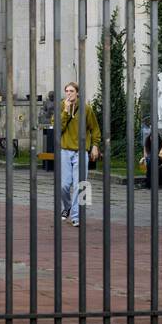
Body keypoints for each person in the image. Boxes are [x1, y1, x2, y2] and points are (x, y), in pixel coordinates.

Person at [53, 81, 100, 227]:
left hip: (81, 151)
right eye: (66, 91)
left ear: (77, 93)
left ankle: (76, 216)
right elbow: (57, 129)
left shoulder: (86, 109)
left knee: (81, 184)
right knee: (64, 185)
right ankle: (67, 207)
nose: (68, 93)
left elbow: (95, 129)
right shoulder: (60, 107)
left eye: (71, 91)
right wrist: (66, 112)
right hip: (65, 151)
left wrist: (95, 146)